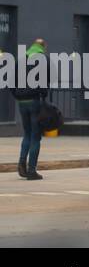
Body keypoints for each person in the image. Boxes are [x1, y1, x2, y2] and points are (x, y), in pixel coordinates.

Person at [16, 39, 49, 180]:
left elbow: (12, 80)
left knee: (27, 134)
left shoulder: (21, 59)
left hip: (22, 102)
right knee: (36, 136)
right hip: (34, 101)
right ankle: (31, 170)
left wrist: (17, 95)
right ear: (43, 47)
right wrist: (43, 94)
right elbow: (46, 80)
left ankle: (21, 164)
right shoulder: (43, 59)